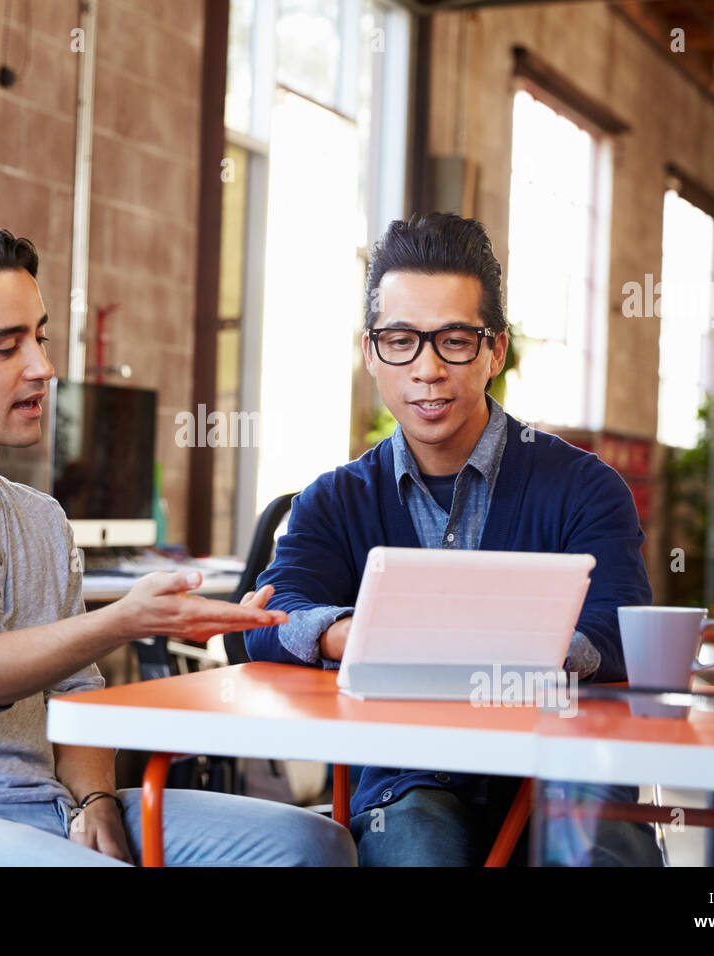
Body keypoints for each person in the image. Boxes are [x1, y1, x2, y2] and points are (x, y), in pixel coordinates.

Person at [0, 225, 356, 867]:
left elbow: (77, 695)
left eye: (40, 338)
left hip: (44, 807)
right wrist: (123, 621)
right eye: (6, 348)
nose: (43, 368)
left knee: (312, 844)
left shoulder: (40, 517)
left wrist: (95, 803)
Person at [245, 212, 662, 866]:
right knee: (419, 845)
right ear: (371, 353)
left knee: (594, 853)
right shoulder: (335, 499)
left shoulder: (585, 488)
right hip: (408, 782)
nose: (428, 368)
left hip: (563, 770)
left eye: (455, 341)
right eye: (401, 340)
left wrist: (505, 653)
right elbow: (266, 618)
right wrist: (341, 634)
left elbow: (620, 633)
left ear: (495, 351)